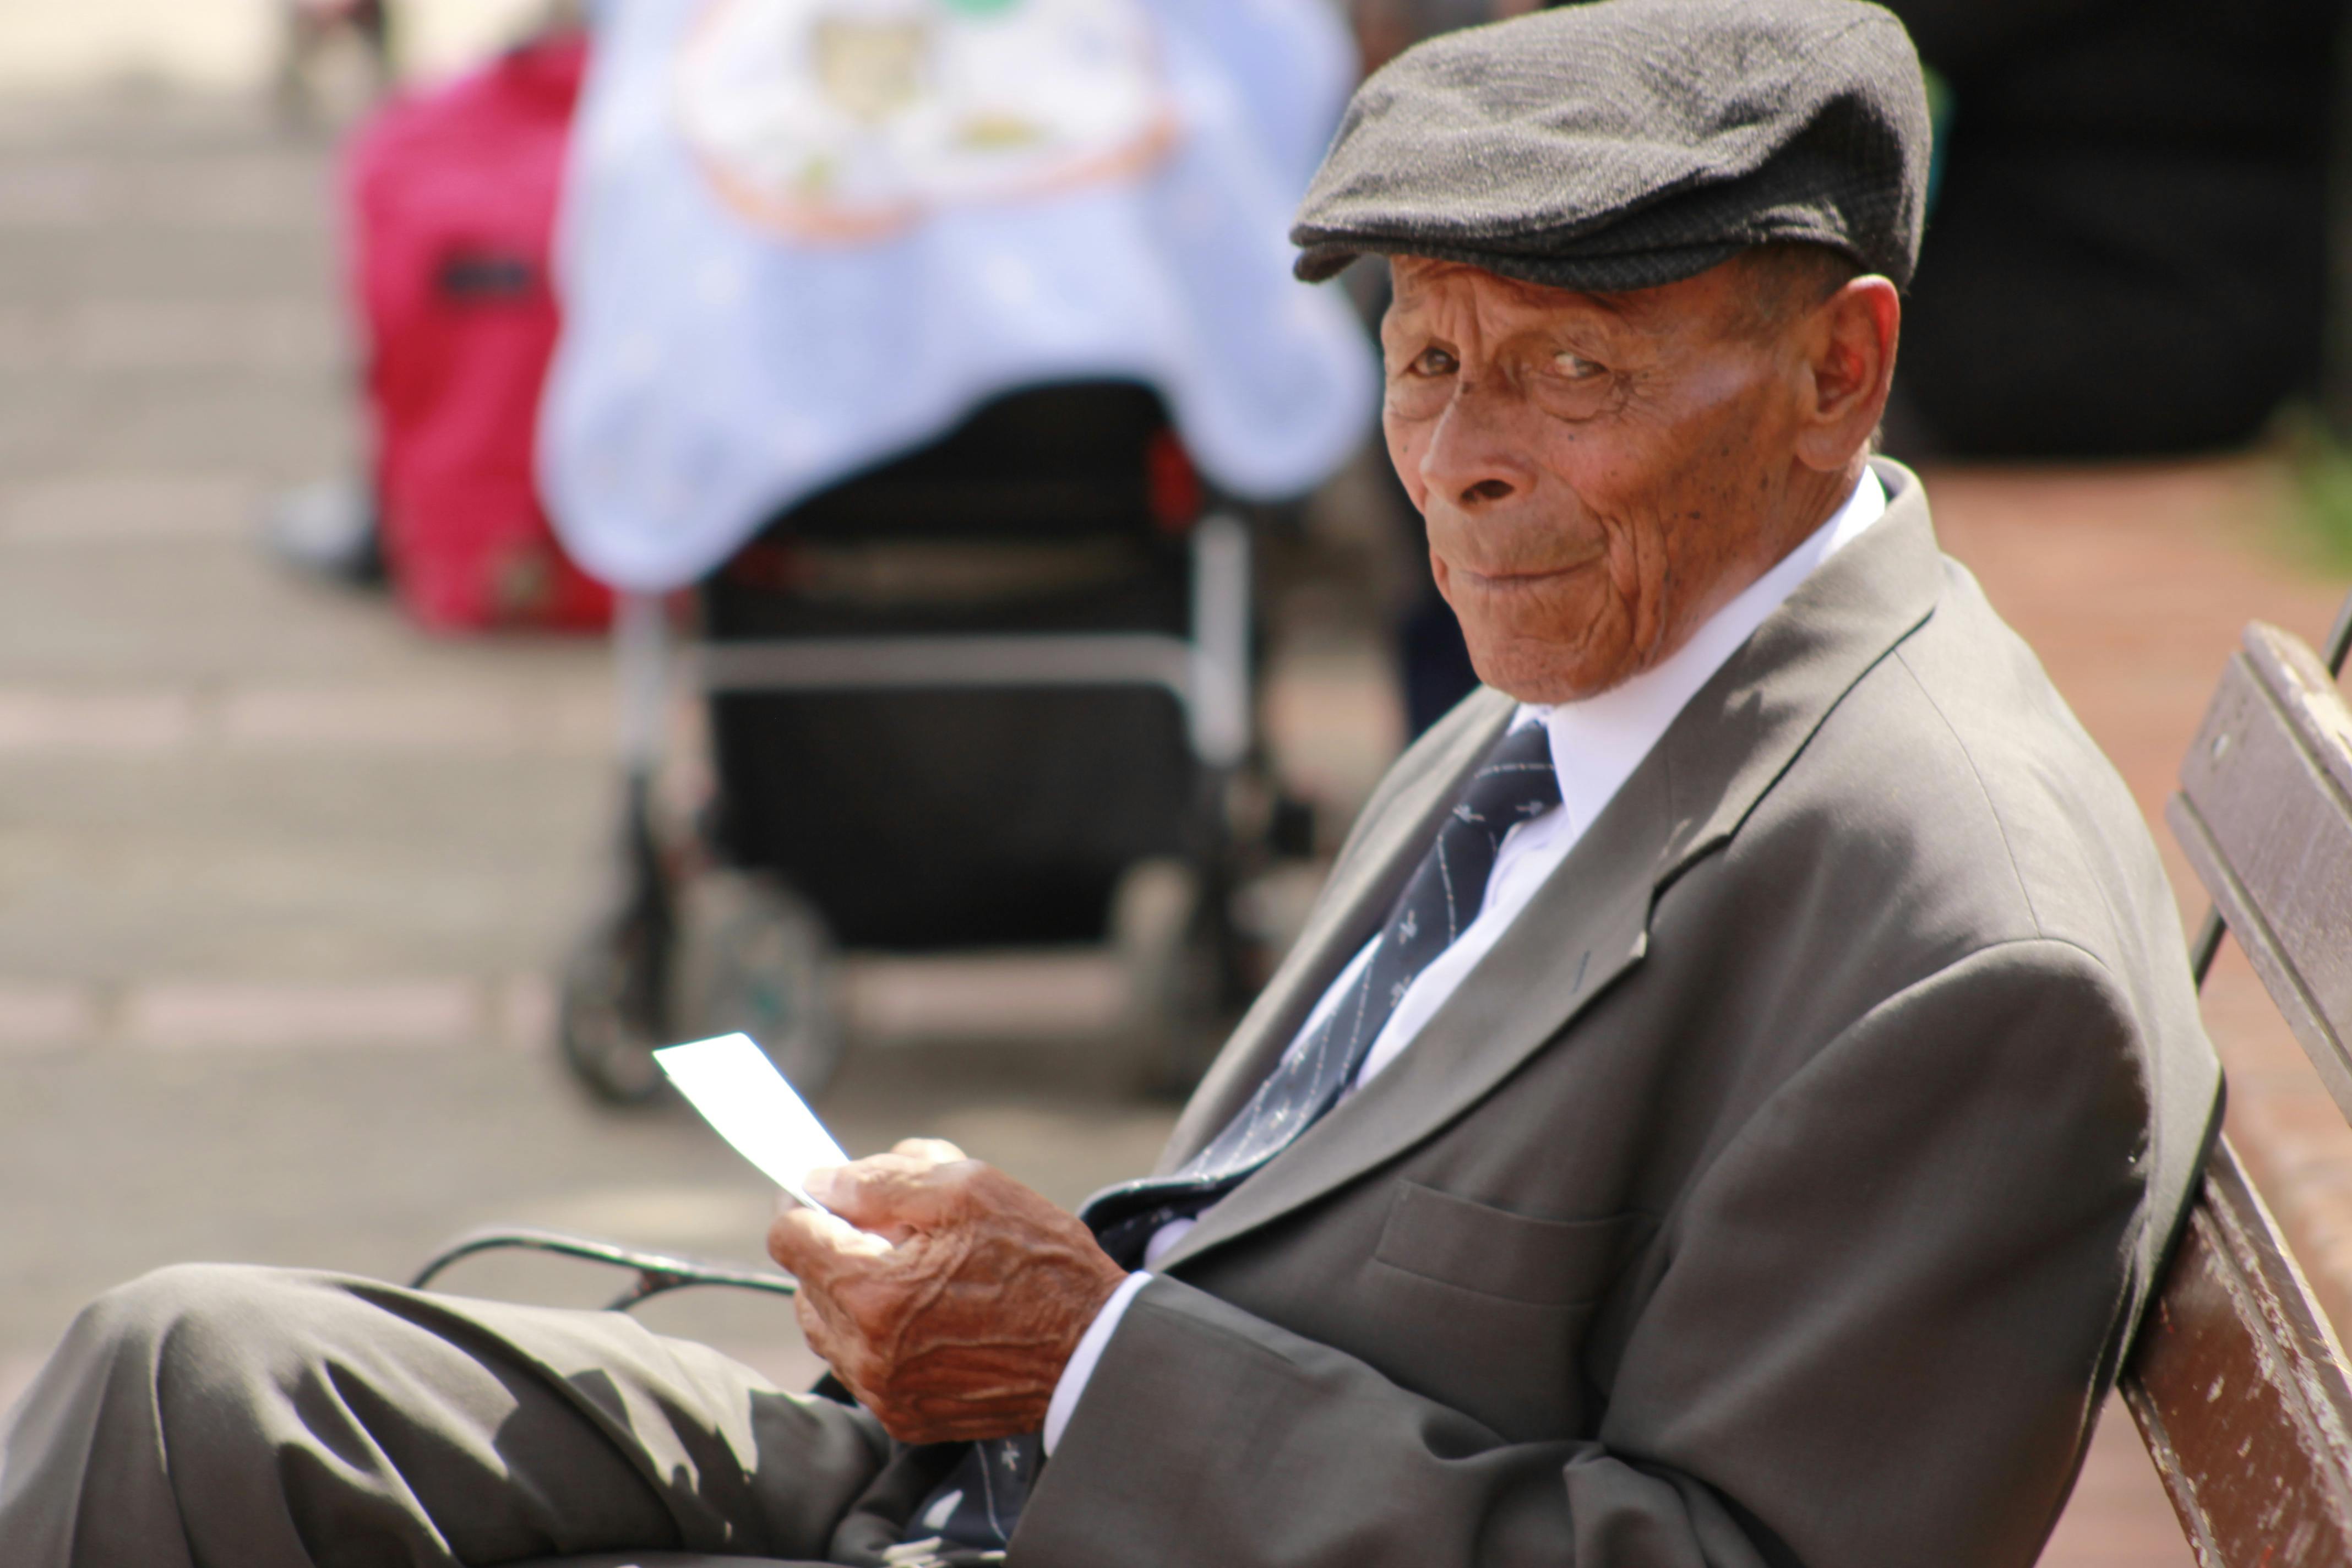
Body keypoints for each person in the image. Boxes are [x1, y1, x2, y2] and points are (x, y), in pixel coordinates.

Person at [0, 4, 2221, 1565]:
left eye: (1572, 368)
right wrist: (1027, 1327)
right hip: (1001, 1476)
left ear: (1839, 371)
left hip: (1097, 1498)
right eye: (1426, 357)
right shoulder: (1586, 693)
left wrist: (1086, 1363)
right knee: (188, 1372)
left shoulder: (1960, 942)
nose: (1461, 461)